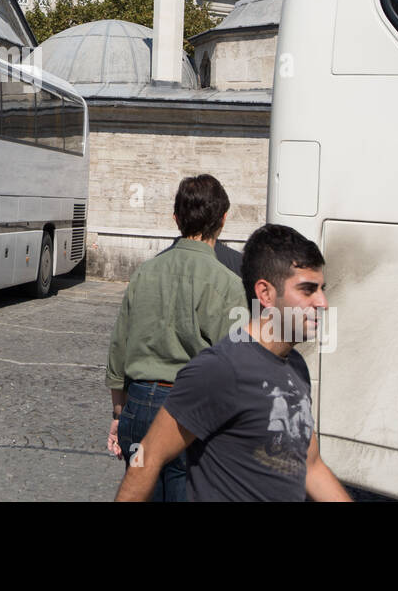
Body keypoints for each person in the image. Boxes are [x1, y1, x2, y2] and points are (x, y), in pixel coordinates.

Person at [114, 224, 351, 502]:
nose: (322, 302)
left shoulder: (296, 366)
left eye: (322, 289)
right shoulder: (221, 368)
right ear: (265, 294)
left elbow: (310, 466)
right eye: (307, 290)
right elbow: (148, 457)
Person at [104, 174, 244, 501]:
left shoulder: (144, 272)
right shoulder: (228, 284)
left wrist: (117, 412)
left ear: (176, 219)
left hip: (138, 403)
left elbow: (118, 349)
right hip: (190, 407)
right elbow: (237, 365)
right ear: (223, 219)